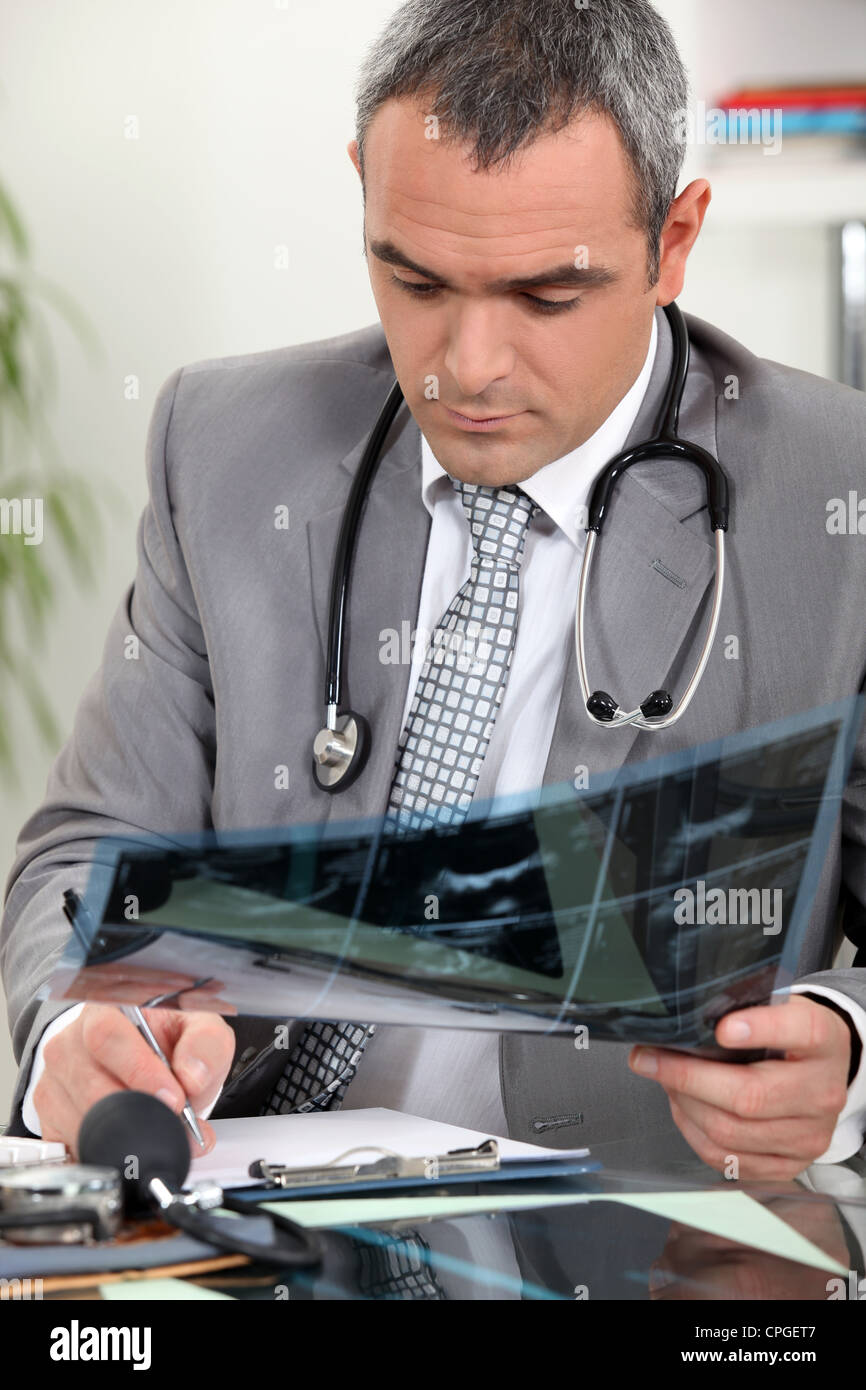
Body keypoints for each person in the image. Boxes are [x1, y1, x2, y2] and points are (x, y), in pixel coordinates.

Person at [3, 0, 865, 1180]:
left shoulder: (836, 494)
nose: (464, 367)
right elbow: (90, 845)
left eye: (543, 298)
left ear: (673, 240)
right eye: (411, 278)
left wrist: (847, 1045)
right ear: (362, 186)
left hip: (635, 1236)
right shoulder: (222, 445)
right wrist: (75, 1024)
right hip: (251, 1201)